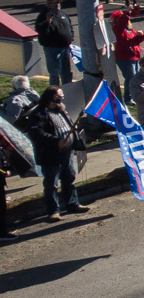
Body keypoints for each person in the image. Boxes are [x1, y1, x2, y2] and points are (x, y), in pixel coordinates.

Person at [27, 85, 88, 222]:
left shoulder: (61, 111)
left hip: (66, 153)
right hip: (51, 155)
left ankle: (73, 204)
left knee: (69, 180)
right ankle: (53, 211)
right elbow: (37, 134)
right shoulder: (38, 114)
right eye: (59, 97)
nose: (62, 100)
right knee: (52, 185)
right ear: (51, 98)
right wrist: (56, 141)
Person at [35, 0, 75, 88]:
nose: (57, 5)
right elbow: (40, 30)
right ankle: (54, 92)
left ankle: (67, 90)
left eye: (58, 3)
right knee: (55, 72)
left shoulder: (62, 13)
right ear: (48, 4)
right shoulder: (43, 15)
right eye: (55, 3)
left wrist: (70, 38)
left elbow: (69, 26)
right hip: (52, 48)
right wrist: (48, 21)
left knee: (66, 72)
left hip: (65, 47)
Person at [110, 9, 144, 105]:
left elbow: (137, 40)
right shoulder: (117, 29)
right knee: (131, 77)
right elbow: (121, 24)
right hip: (124, 58)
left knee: (135, 77)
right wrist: (126, 14)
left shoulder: (129, 30)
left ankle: (135, 95)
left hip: (134, 57)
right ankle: (128, 98)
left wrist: (142, 34)